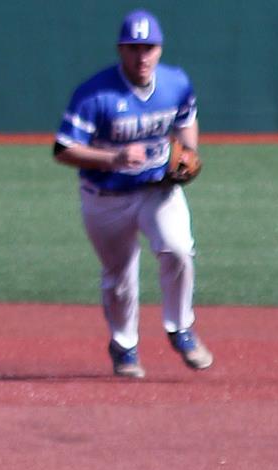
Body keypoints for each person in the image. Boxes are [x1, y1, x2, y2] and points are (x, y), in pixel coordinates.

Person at [53, 10, 212, 377]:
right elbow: (63, 149)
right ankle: (124, 346)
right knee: (120, 276)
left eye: (149, 48)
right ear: (120, 50)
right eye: (133, 48)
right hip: (104, 196)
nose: (142, 56)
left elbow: (187, 119)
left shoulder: (175, 83)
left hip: (157, 189)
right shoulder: (94, 95)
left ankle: (181, 327)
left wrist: (188, 153)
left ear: (160, 50)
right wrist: (113, 157)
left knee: (177, 250)